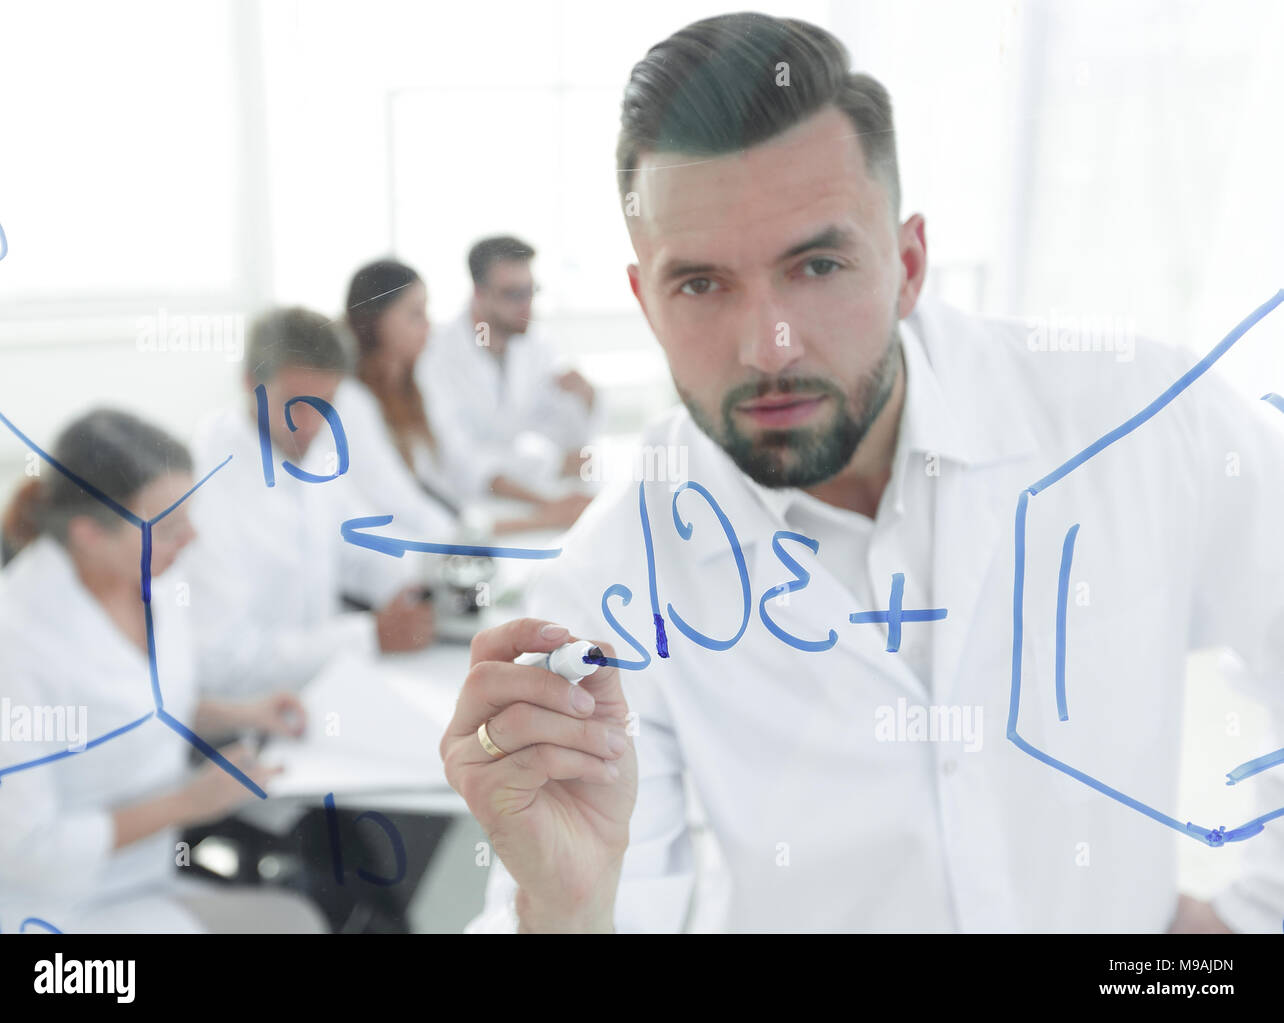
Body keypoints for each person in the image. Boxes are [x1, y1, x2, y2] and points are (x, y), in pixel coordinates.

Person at [445, 13, 1284, 933]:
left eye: (817, 264)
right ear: (647, 301)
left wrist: (1246, 923)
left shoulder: (1141, 420)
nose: (768, 347)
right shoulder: (609, 583)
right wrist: (564, 910)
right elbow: (586, 893)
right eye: (702, 283)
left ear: (909, 263)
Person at [0, 409, 325, 933]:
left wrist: (243, 713)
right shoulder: (13, 646)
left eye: (189, 516)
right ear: (88, 534)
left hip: (143, 881)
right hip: (54, 910)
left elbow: (138, 707)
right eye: (168, 527)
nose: (191, 540)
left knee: (299, 920)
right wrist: (186, 803)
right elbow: (24, 848)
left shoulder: (152, 583)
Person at [182, 306, 435, 699]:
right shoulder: (204, 490)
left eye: (326, 404)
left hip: (326, 690)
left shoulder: (307, 449)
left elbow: (358, 542)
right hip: (249, 722)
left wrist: (437, 573)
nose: (310, 424)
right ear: (249, 382)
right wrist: (369, 636)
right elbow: (222, 665)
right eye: (294, 404)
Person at [337, 259, 597, 537]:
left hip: (463, 518)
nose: (428, 326)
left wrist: (547, 502)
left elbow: (451, 474)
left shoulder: (411, 388)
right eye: (415, 315)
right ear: (376, 322)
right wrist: (544, 517)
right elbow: (414, 512)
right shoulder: (354, 403)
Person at [419, 235, 598, 523]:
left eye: (531, 291)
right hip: (467, 509)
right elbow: (459, 460)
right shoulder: (437, 356)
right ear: (478, 293)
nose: (526, 305)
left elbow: (561, 437)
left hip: (523, 496)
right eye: (513, 294)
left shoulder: (534, 345)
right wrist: (545, 503)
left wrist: (586, 399)